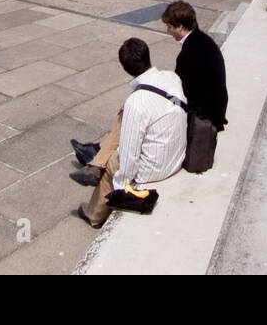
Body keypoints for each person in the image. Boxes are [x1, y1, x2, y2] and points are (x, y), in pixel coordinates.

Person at [72, 38, 188, 228]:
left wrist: (119, 184)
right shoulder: (171, 78)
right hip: (176, 156)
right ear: (147, 56)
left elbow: (129, 156)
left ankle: (94, 214)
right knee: (125, 118)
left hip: (156, 169)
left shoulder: (136, 102)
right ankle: (96, 162)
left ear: (125, 68)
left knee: (113, 163)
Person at [162, 0, 228, 133]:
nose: (168, 32)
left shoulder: (188, 54)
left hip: (203, 119)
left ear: (180, 26)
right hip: (214, 112)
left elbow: (180, 93)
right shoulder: (203, 40)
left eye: (169, 27)